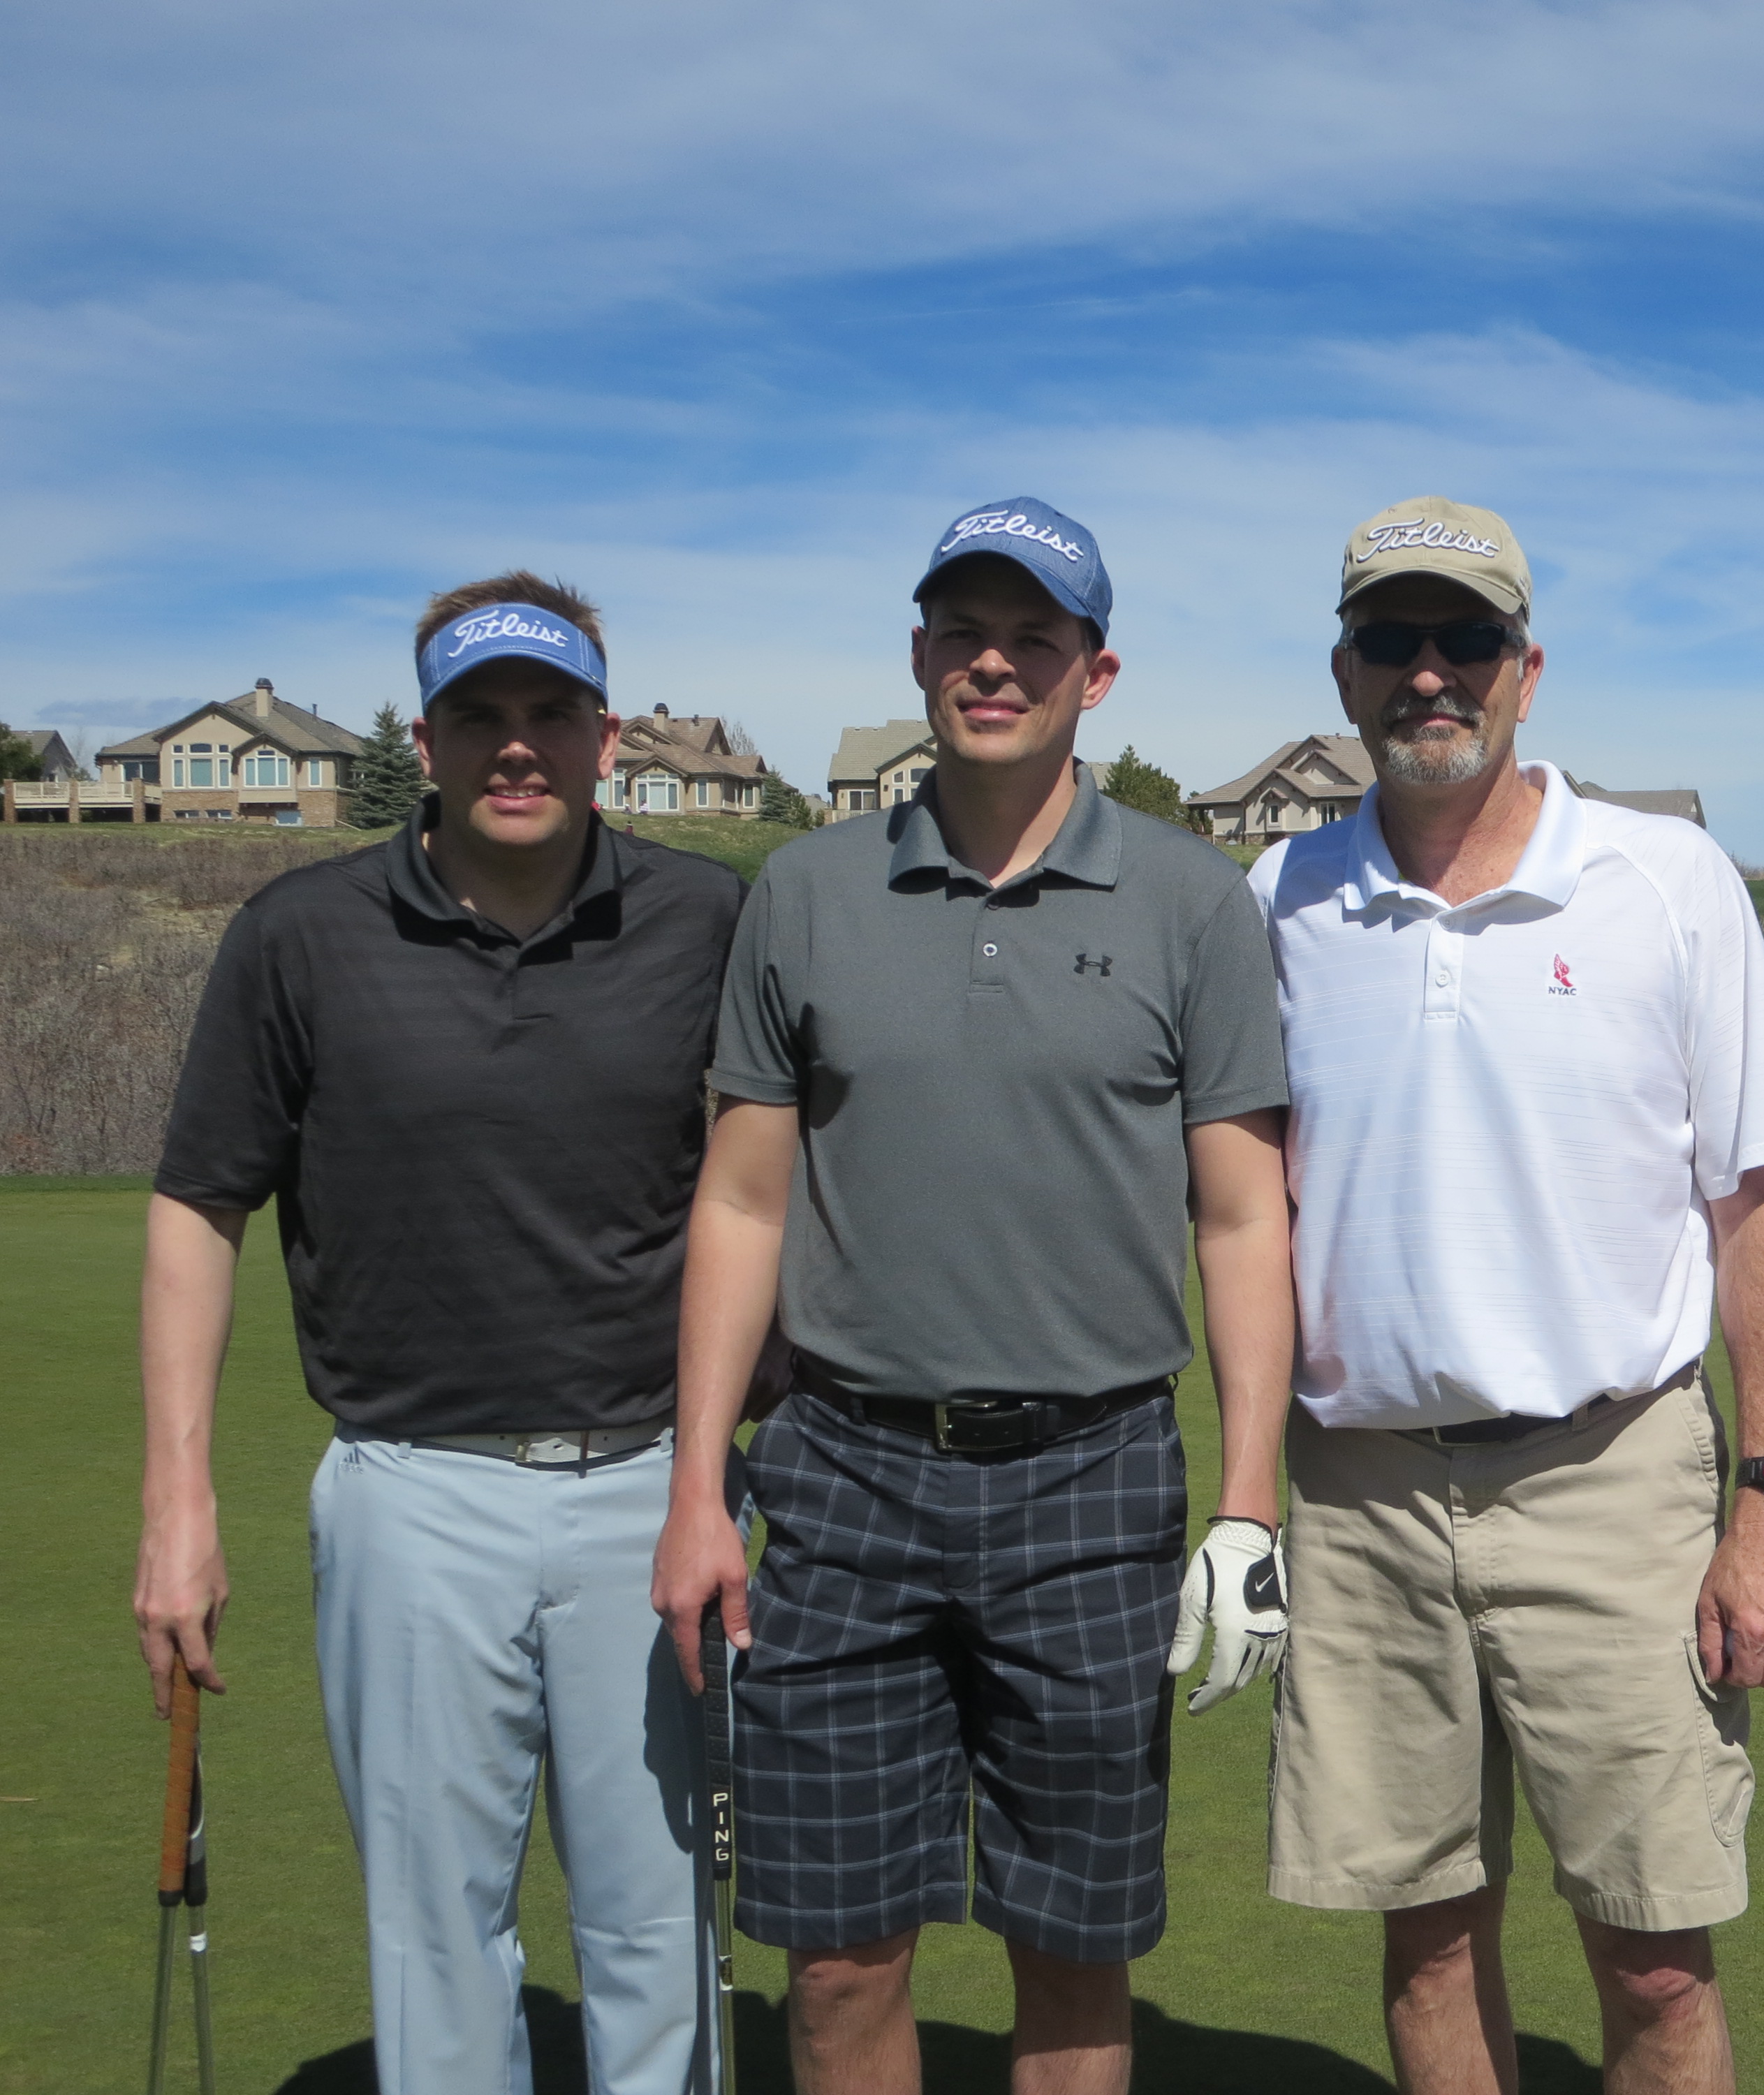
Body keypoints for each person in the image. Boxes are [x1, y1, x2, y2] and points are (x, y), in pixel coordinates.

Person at [650, 497, 1298, 2095]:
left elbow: (1239, 1219)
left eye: (1032, 638)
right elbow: (740, 1198)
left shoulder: (1191, 899)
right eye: (962, 632)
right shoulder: (805, 890)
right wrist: (696, 1489)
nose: (992, 663)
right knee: (836, 1957)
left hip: (1093, 1482)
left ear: (1096, 671)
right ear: (918, 653)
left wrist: (1247, 1505)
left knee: (1072, 1952)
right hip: (841, 1479)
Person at [133, 574, 750, 2094]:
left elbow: (771, 1194)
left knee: (657, 1932)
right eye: (479, 716)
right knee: (434, 1936)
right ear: (427, 740)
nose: (516, 744)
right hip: (410, 1495)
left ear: (607, 737)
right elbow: (200, 1206)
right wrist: (177, 1501)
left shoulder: (707, 919)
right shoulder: (300, 933)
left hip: (655, 1492)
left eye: (550, 712)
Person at [1251, 498, 1764, 2095]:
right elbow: (1239, 1212)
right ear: (1344, 672)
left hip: (1612, 1477)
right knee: (1428, 1945)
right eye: (1391, 638)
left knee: (1653, 1959)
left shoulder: (1666, 879)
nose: (1428, 672)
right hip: (1362, 1495)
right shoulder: (1276, 899)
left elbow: (1757, 1216)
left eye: (1467, 638)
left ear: (1527, 666)